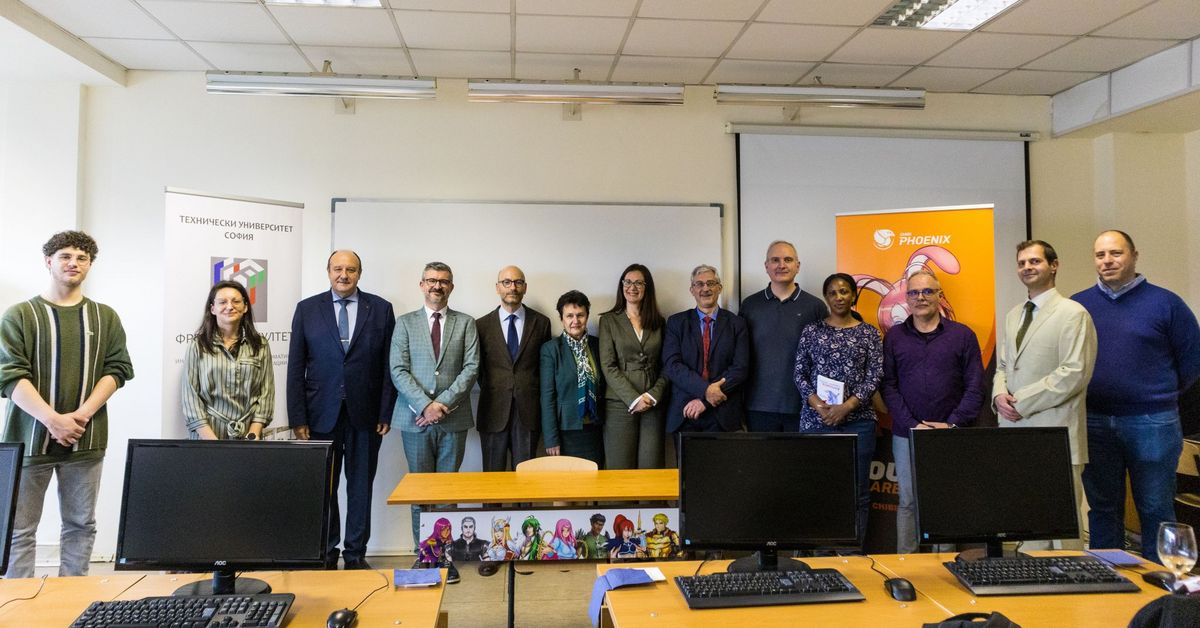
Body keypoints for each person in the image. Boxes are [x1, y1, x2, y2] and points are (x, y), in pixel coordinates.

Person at [1, 231, 134, 578]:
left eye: (82, 257)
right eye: (65, 256)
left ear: (90, 265)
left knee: (80, 526)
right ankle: (17, 607)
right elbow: (10, 376)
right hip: (28, 441)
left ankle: (73, 599)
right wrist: (52, 420)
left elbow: (117, 369)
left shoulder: (105, 317)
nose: (73, 263)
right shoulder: (20, 315)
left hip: (86, 441)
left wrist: (80, 416)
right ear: (49, 261)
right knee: (18, 530)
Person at [1072, 230, 1200, 564]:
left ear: (1134, 255)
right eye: (1100, 255)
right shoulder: (1078, 305)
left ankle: (1158, 596)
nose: (1107, 261)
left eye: (1116, 253)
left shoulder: (1166, 303)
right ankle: (1108, 584)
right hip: (1094, 420)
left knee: (1156, 507)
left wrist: (1153, 395)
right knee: (1102, 509)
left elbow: (1192, 364)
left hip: (1152, 421)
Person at [288, 250, 397, 571]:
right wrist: (298, 417)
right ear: (328, 272)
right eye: (338, 269)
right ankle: (326, 552)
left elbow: (388, 367)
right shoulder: (307, 309)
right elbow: (296, 367)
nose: (344, 275)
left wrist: (385, 412)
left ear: (360, 273)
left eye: (350, 270)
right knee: (325, 488)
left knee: (361, 487)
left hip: (366, 416)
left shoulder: (380, 309)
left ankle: (355, 555)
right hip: (319, 416)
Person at [993, 240, 1096, 550]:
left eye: (1035, 261)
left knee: (1063, 527)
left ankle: (1073, 590)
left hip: (1056, 431)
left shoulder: (1073, 314)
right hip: (1014, 431)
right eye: (1022, 262)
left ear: (1054, 265)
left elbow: (1074, 373)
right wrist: (999, 395)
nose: (1027, 267)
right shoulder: (1013, 315)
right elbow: (1003, 365)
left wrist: (1021, 403)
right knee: (1025, 521)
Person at [880, 270, 984, 554]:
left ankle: (944, 567)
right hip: (906, 434)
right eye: (913, 293)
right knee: (908, 503)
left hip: (948, 435)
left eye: (927, 291)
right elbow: (888, 386)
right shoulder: (894, 338)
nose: (920, 298)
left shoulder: (962, 336)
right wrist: (912, 424)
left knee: (945, 502)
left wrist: (950, 426)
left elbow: (975, 387)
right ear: (907, 299)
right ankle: (905, 565)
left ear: (940, 295)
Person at [391, 261, 479, 580]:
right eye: (431, 280)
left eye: (443, 281)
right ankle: (424, 557)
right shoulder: (405, 323)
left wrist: (441, 404)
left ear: (451, 286)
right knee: (420, 492)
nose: (436, 286)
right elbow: (398, 369)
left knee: (445, 494)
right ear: (421, 285)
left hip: (452, 421)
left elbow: (471, 368)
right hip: (414, 421)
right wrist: (425, 405)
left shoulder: (466, 323)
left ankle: (443, 557)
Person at [794, 272, 883, 546]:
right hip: (816, 421)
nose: (839, 297)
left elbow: (875, 375)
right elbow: (800, 373)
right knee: (817, 490)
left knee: (857, 493)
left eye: (844, 291)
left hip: (858, 421)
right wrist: (821, 407)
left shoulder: (869, 333)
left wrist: (846, 407)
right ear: (826, 298)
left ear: (854, 295)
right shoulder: (811, 331)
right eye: (832, 292)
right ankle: (821, 550)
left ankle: (853, 551)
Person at [740, 241, 827, 432]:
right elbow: (740, 357)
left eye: (788, 259)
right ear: (766, 266)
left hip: (803, 405)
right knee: (763, 462)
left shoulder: (816, 307)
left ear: (797, 266)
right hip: (758, 406)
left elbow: (824, 359)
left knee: (798, 463)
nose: (782, 265)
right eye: (775, 260)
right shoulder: (749, 305)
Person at [475, 266, 551, 471]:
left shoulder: (542, 323)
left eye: (518, 282)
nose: (512, 287)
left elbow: (544, 370)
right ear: (497, 288)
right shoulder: (480, 325)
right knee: (492, 481)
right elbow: (478, 370)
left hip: (528, 413)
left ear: (525, 287)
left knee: (526, 480)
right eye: (506, 282)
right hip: (493, 411)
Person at [662, 265, 749, 438]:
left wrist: (705, 401)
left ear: (719, 288)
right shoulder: (676, 323)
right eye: (699, 284)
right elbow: (672, 366)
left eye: (711, 283)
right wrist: (706, 391)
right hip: (685, 412)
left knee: (721, 466)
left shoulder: (737, 324)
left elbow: (740, 368)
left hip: (722, 415)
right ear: (692, 290)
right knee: (686, 466)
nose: (705, 288)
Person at [181, 280, 273, 440]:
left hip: (248, 436)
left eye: (236, 301)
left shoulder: (260, 345)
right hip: (207, 435)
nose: (230, 306)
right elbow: (190, 398)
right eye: (222, 302)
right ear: (213, 309)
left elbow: (266, 394)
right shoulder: (198, 346)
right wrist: (213, 443)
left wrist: (253, 435)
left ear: (245, 307)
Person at [598, 264, 669, 469]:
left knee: (651, 468)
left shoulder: (659, 322)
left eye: (639, 282)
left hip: (652, 404)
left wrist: (653, 395)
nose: (632, 287)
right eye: (627, 282)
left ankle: (650, 504)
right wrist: (634, 398)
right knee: (619, 470)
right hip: (620, 404)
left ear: (647, 288)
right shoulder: (609, 321)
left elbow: (667, 365)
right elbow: (608, 365)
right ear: (622, 286)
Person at [540, 290, 604, 465]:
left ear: (587, 316)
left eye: (580, 315)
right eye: (569, 316)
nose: (575, 321)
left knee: (595, 482)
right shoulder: (551, 349)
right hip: (566, 430)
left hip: (596, 428)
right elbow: (547, 398)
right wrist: (551, 438)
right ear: (561, 319)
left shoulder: (598, 345)